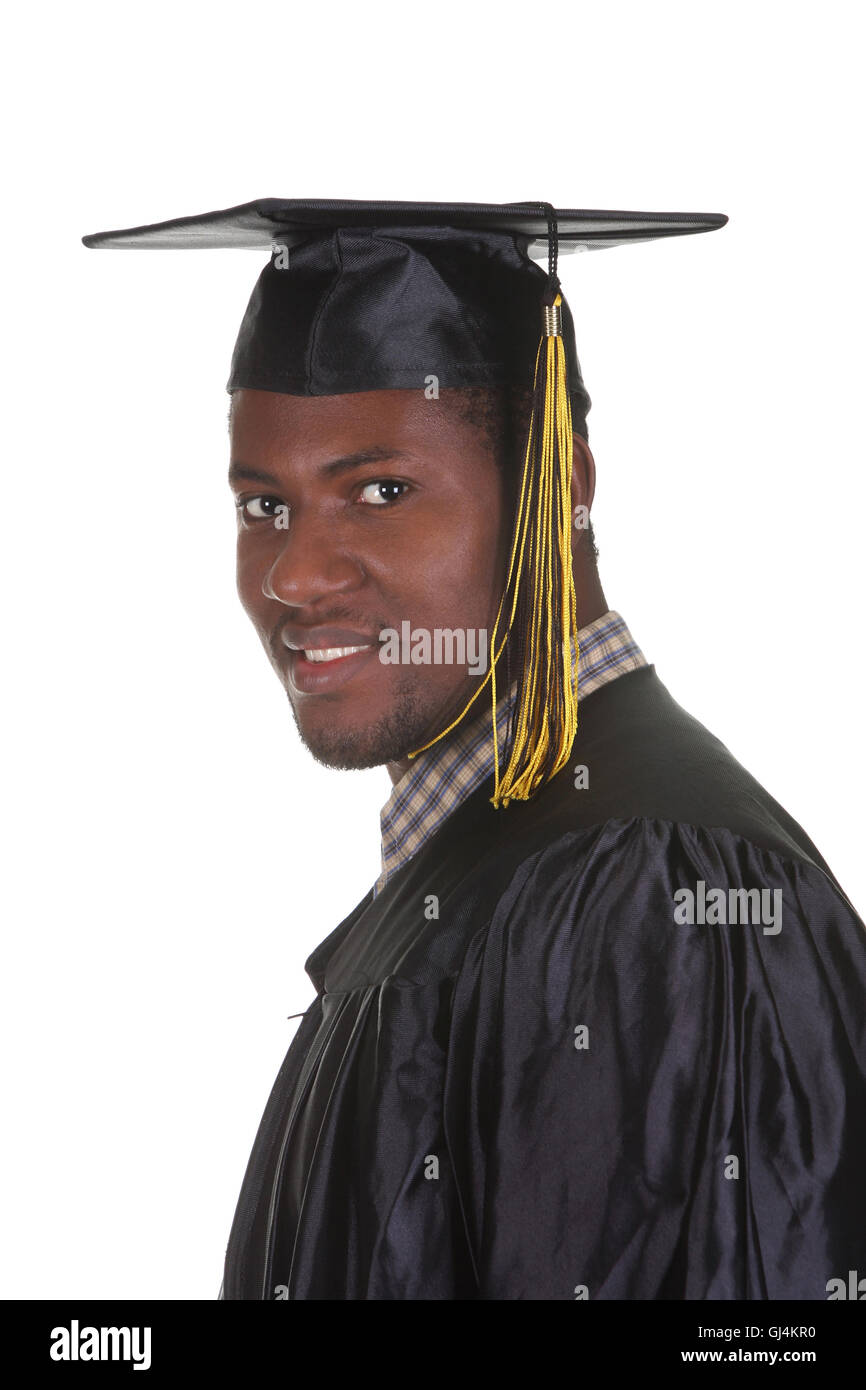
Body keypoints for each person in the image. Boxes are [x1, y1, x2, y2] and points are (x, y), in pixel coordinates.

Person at [84, 199, 866, 1300]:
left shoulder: (644, 893)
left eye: (380, 491)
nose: (293, 575)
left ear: (564, 491)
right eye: (264, 505)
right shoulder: (495, 863)